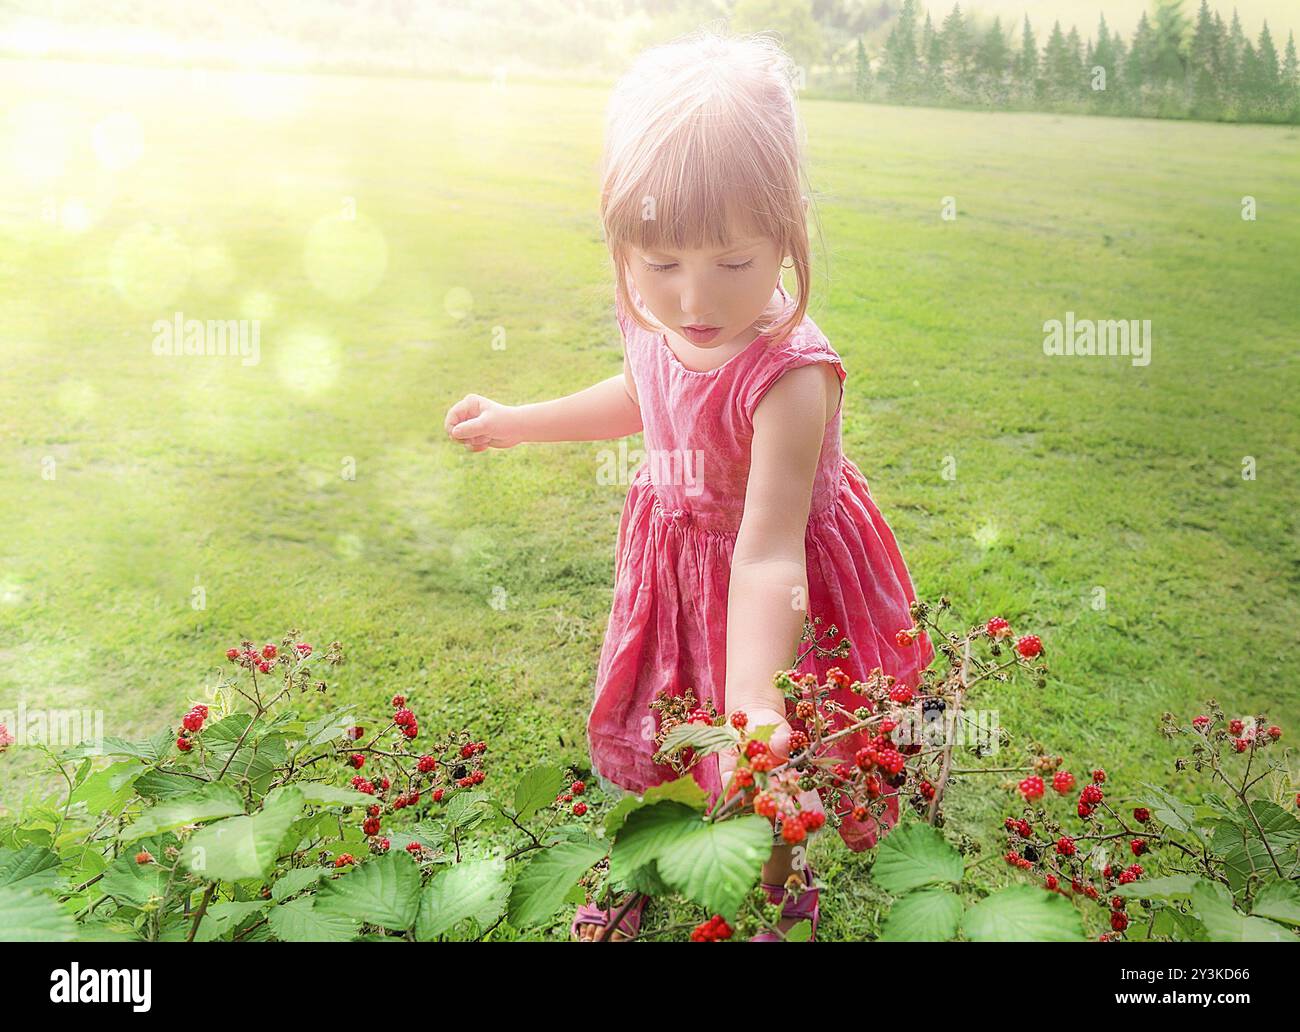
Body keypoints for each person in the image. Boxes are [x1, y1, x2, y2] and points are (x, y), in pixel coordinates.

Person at [445, 28, 934, 941]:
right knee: (662, 726)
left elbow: (767, 549)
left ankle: (784, 895)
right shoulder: (655, 317)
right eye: (662, 265)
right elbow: (640, 393)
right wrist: (518, 420)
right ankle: (644, 862)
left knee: (767, 759)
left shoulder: (791, 377)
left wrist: (756, 698)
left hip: (777, 582)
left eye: (733, 265)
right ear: (624, 240)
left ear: (786, 231)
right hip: (675, 562)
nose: (696, 304)